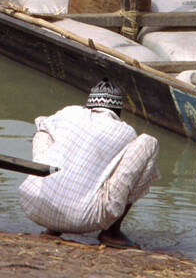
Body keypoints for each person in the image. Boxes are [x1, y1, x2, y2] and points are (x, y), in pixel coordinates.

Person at [17, 80, 158, 248]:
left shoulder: (70, 112)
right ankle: (111, 232)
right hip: (83, 219)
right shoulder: (126, 132)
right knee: (148, 142)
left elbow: (41, 122)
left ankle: (53, 226)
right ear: (117, 111)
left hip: (33, 204)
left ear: (89, 105)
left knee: (43, 132)